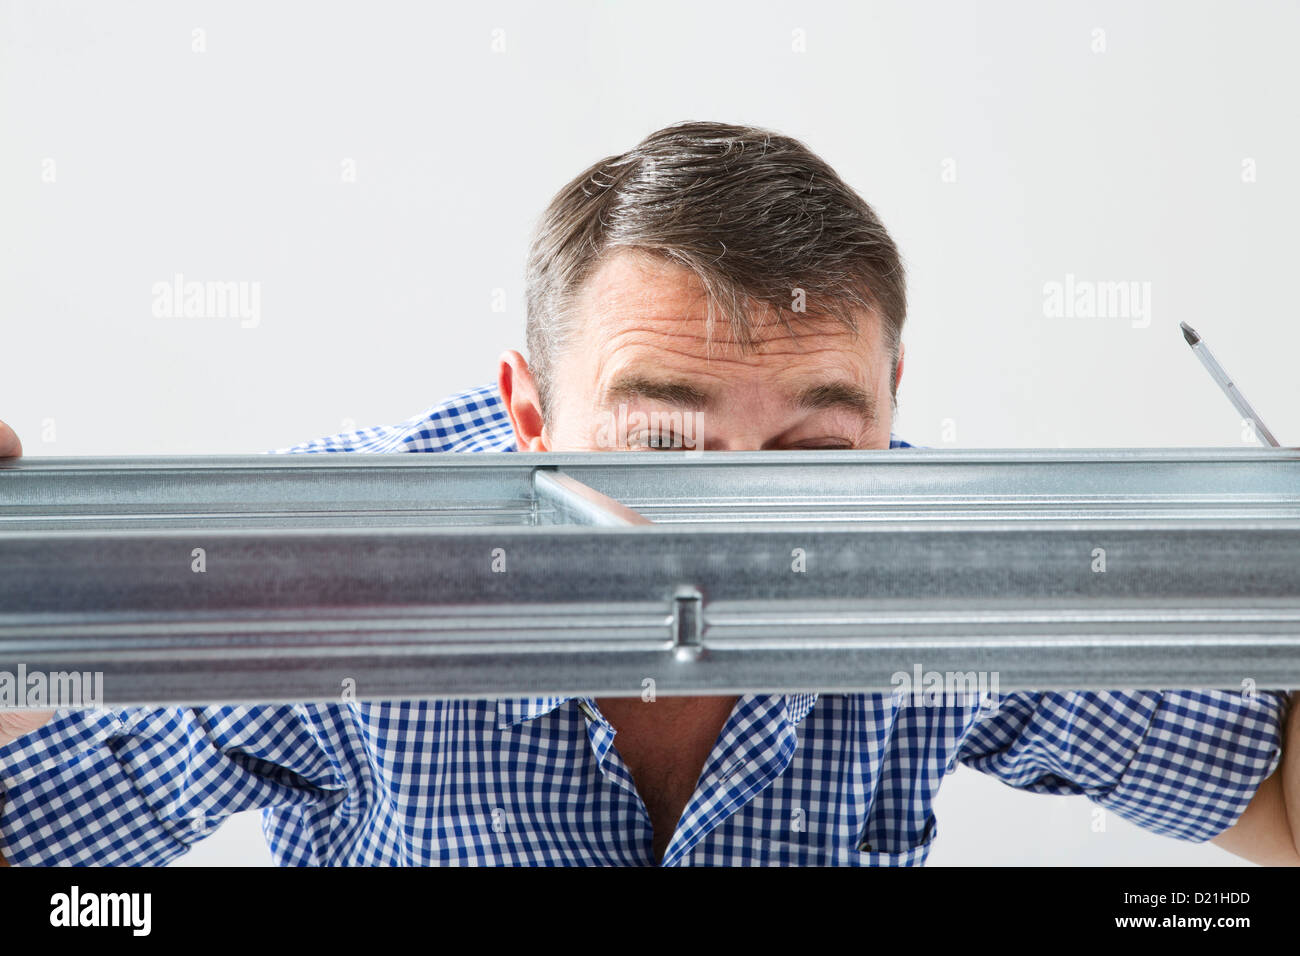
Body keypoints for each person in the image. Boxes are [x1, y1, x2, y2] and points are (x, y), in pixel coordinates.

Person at [0, 122, 1294, 866]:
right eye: (664, 450)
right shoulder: (337, 570)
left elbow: (1274, 797)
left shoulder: (941, 560)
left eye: (811, 457)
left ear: (894, 400)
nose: (736, 536)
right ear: (527, 413)